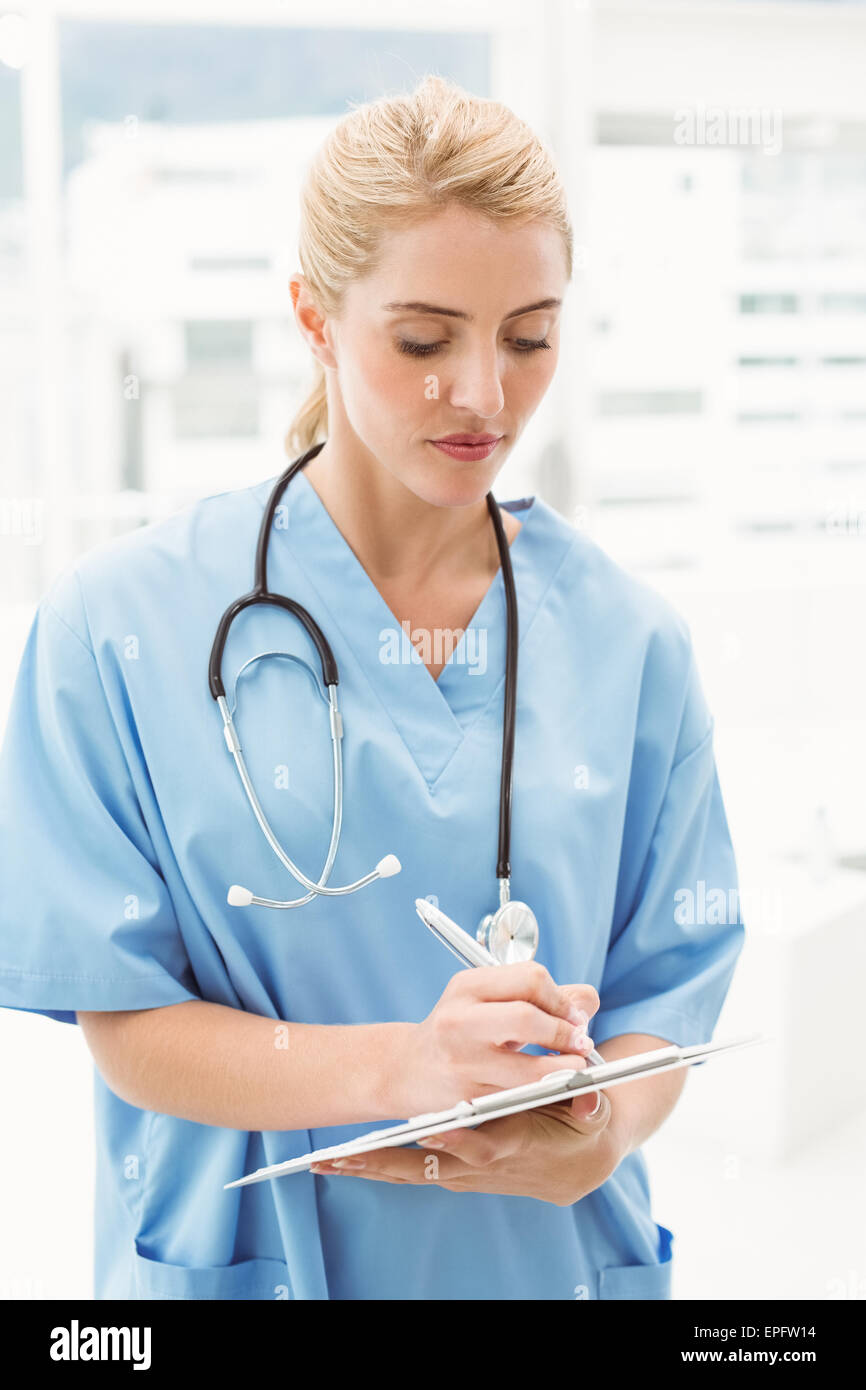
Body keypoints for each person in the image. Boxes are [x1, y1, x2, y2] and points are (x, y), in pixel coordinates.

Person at [0, 74, 744, 1301]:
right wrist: (407, 1065)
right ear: (313, 317)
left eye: (527, 336)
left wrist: (604, 1129)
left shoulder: (630, 643)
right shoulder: (119, 626)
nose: (484, 397)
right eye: (422, 340)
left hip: (543, 1265)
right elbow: (124, 1023)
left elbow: (667, 994)